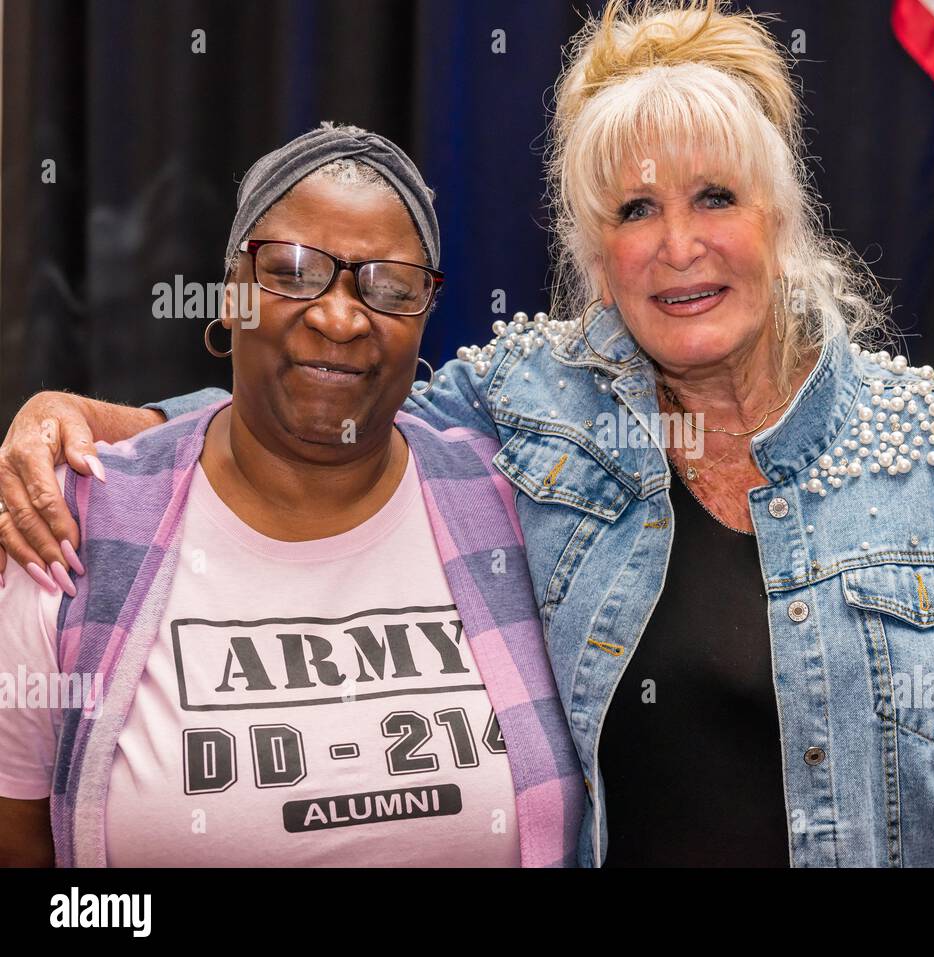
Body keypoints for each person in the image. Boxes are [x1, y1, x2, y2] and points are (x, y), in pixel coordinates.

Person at [0, 0, 934, 867]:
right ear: (593, 252)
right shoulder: (529, 407)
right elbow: (325, 402)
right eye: (633, 210)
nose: (678, 246)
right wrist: (117, 436)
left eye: (714, 197)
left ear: (781, 218)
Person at [0, 124, 583, 867]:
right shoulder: (72, 529)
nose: (339, 316)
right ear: (231, 291)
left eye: (390, 283)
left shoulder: (522, 507)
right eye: (293, 270)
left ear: (425, 315)